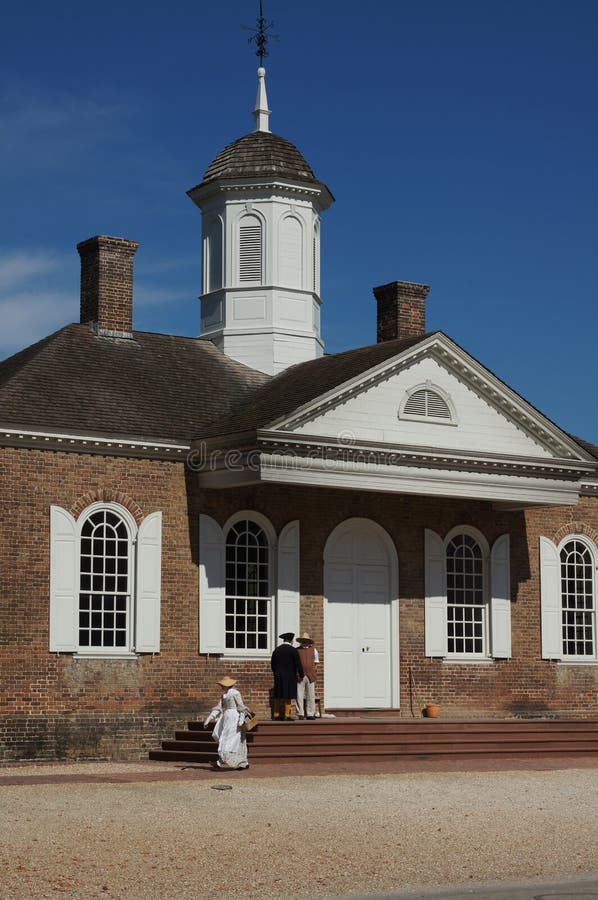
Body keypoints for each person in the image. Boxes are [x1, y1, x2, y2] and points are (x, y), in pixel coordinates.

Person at [203, 675, 250, 770]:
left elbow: (241, 707)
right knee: (225, 738)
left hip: (234, 718)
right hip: (227, 718)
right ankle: (239, 763)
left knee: (232, 740)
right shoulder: (224, 695)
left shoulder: (235, 693)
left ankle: (224, 762)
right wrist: (208, 719)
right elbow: (218, 708)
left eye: (222, 685)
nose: (221, 687)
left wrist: (241, 720)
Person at [270, 632, 304, 720]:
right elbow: (298, 664)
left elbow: (273, 664)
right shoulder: (293, 650)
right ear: (291, 641)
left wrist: (276, 673)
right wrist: (301, 674)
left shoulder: (277, 650)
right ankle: (287, 715)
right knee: (288, 696)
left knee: (278, 695)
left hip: (278, 676)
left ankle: (276, 715)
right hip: (290, 676)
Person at [295, 632, 319, 719]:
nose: (304, 642)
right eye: (303, 640)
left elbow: (316, 663)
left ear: (309, 641)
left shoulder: (314, 650)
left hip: (310, 675)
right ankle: (300, 714)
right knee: (299, 695)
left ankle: (310, 714)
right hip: (299, 675)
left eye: (306, 640)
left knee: (311, 695)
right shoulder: (297, 650)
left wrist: (313, 672)